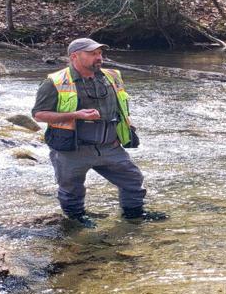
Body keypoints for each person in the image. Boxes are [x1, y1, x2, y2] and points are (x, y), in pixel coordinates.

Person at [31, 37, 166, 228]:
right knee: (71, 190)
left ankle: (134, 216)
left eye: (100, 53)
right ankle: (75, 221)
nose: (99, 57)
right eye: (93, 53)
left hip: (110, 147)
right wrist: (75, 115)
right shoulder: (55, 81)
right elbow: (39, 115)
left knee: (133, 180)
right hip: (73, 150)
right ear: (75, 56)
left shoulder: (112, 76)